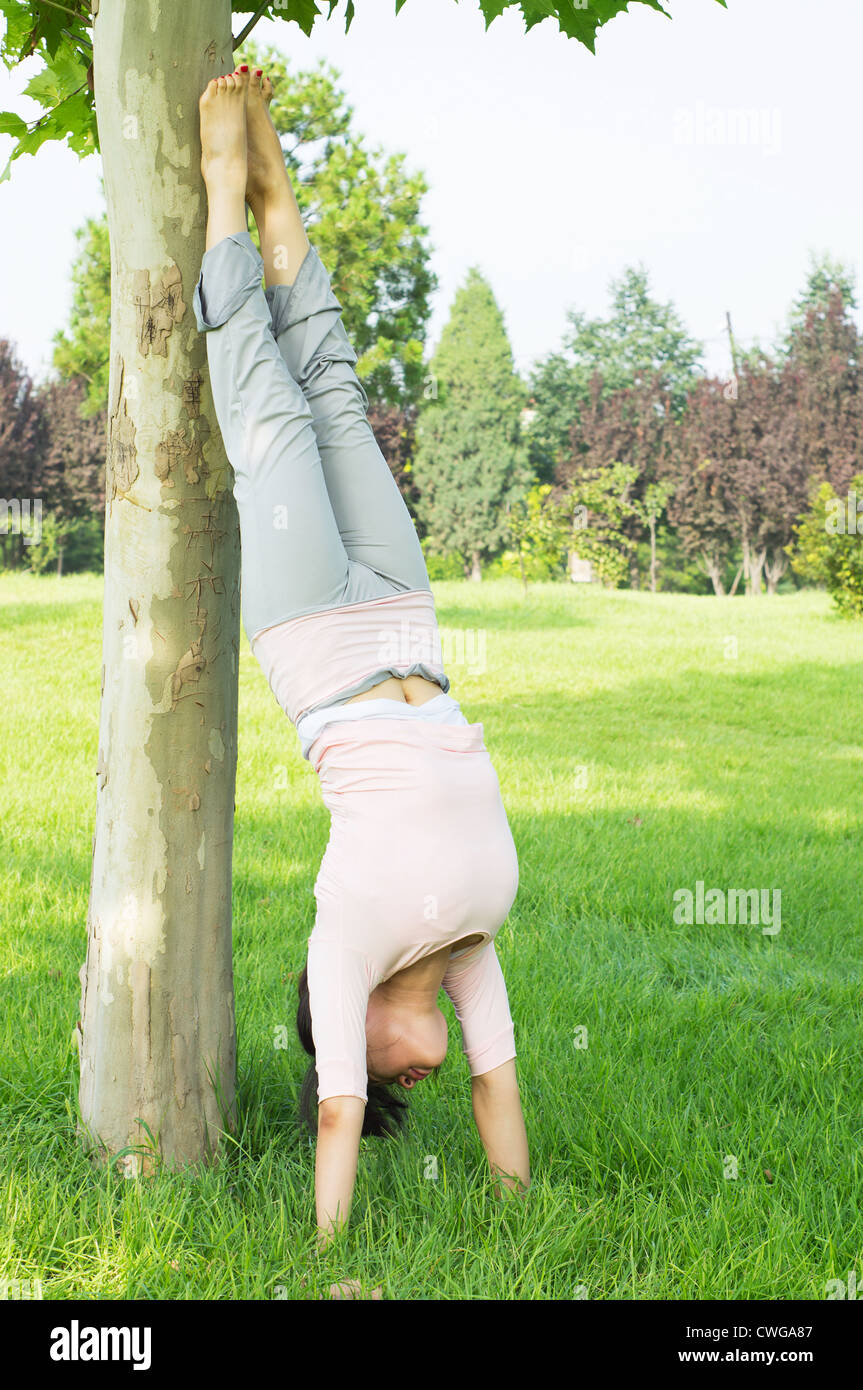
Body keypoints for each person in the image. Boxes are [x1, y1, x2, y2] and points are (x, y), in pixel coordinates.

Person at [194, 65, 530, 1293]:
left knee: (272, 416)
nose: (408, 1079)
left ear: (352, 1036)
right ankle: (276, 175)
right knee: (334, 389)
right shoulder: (470, 942)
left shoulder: (346, 952)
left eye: (389, 1073)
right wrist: (519, 1217)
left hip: (321, 653)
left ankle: (226, 189)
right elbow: (500, 1084)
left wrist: (329, 1266)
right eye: (403, 1083)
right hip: (406, 623)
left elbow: (333, 1118)